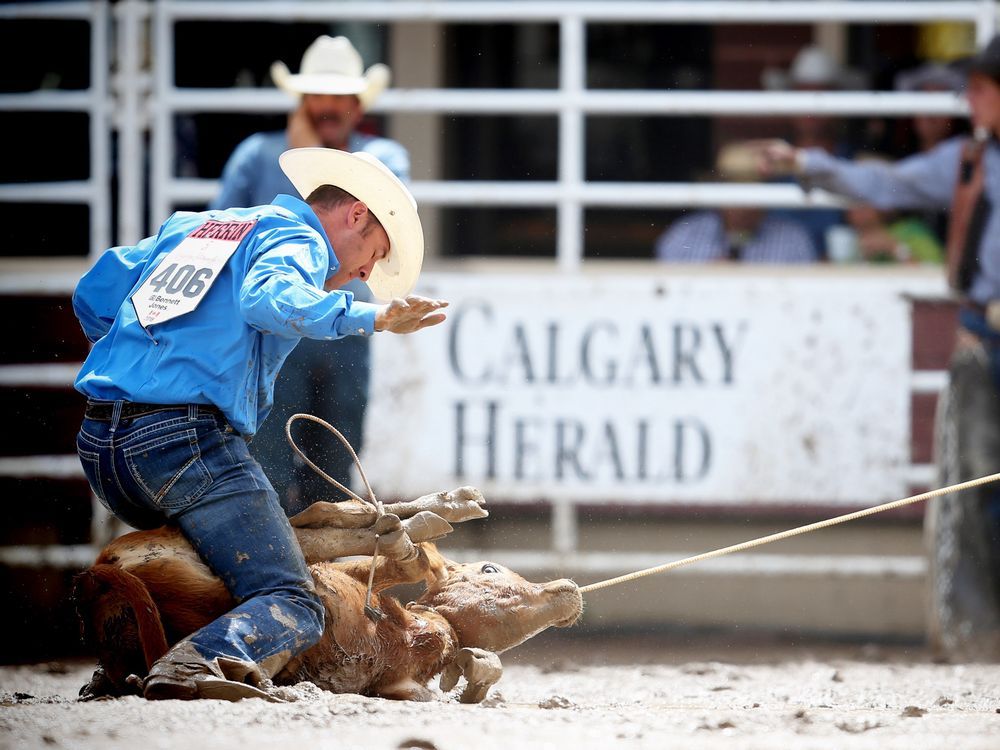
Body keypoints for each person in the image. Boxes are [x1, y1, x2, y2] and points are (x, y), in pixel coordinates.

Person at [72, 147, 448, 700]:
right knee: (291, 600)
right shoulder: (295, 239)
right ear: (357, 215)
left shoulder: (201, 228)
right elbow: (269, 299)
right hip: (184, 446)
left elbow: (94, 292)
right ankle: (192, 664)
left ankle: (147, 650)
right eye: (375, 254)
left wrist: (141, 363)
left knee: (224, 568)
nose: (366, 273)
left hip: (104, 444)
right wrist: (366, 316)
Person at [757, 36, 1000, 660]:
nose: (969, 98)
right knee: (977, 490)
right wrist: (810, 165)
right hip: (986, 334)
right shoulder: (970, 159)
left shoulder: (970, 159)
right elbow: (886, 184)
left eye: (980, 87)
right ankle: (984, 626)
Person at [214, 35, 410, 515]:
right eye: (320, 95)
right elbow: (230, 238)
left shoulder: (382, 156)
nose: (330, 106)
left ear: (356, 104)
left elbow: (389, 209)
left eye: (340, 97)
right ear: (302, 101)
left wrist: (306, 156)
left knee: (336, 472)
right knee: (270, 467)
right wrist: (303, 158)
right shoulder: (257, 155)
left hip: (344, 331)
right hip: (277, 333)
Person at [656, 143, 817, 264]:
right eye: (735, 193)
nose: (743, 204)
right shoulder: (683, 236)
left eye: (751, 193)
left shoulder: (793, 240)